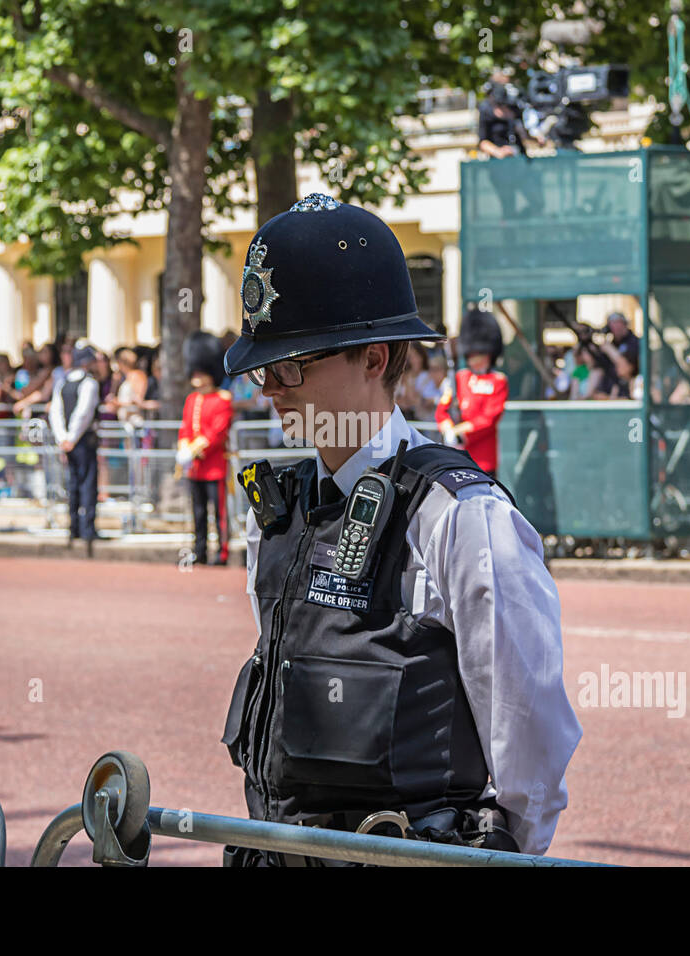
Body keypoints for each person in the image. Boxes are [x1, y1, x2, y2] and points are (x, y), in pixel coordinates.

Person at [218, 193, 580, 866]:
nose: (270, 387)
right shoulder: (278, 510)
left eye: (292, 365)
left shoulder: (461, 518)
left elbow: (529, 741)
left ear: (377, 358)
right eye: (263, 367)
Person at [176, 332, 235, 566]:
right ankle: (199, 550)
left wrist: (193, 449)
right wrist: (183, 447)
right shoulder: (192, 399)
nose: (197, 377)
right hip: (195, 468)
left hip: (215, 466)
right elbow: (186, 427)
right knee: (198, 512)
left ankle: (221, 552)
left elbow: (217, 433)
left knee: (218, 513)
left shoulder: (223, 399)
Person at [435, 308, 509, 475]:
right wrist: (448, 430)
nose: (474, 359)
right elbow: (442, 411)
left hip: (483, 458)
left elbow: (489, 418)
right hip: (456, 455)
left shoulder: (497, 381)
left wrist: (460, 431)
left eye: (479, 354)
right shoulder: (460, 378)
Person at [50, 343, 102, 555]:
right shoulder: (88, 383)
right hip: (82, 440)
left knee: (73, 483)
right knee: (86, 483)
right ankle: (86, 528)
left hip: (69, 440)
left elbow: (56, 412)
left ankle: (74, 527)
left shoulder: (63, 383)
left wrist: (62, 437)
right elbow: (84, 412)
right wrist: (70, 438)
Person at [477, 73, 544, 219]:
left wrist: (536, 139)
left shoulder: (514, 108)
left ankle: (522, 222)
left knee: (537, 201)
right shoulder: (486, 110)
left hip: (520, 165)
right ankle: (510, 232)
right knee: (508, 207)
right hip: (501, 169)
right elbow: (482, 142)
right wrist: (499, 152)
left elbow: (523, 134)